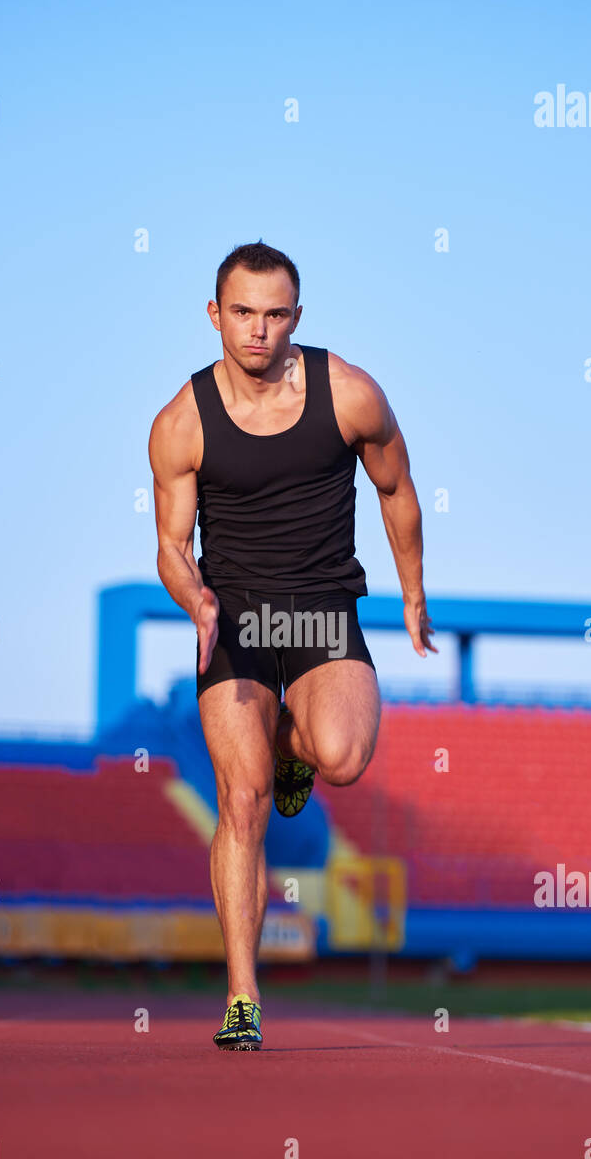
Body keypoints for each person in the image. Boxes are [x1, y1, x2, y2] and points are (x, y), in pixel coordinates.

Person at [149, 240, 436, 1049]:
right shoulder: (180, 422)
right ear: (215, 315)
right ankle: (243, 996)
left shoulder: (348, 393)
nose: (258, 331)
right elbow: (170, 545)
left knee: (343, 758)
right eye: (242, 313)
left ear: (296, 318)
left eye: (275, 315)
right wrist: (194, 597)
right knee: (240, 802)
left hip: (321, 614)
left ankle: (295, 751)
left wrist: (412, 596)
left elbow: (396, 490)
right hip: (232, 618)